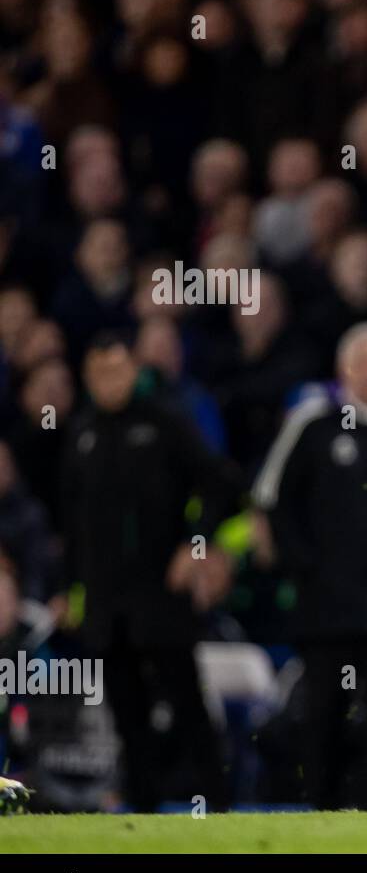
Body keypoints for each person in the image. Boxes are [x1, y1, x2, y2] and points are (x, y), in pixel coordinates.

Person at [59, 332, 243, 811]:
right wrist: (66, 587)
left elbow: (221, 482)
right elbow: (70, 521)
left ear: (134, 371)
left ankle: (217, 808)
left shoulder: (165, 423)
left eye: (118, 371)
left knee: (187, 706)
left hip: (161, 593)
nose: (109, 382)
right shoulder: (81, 432)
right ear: (87, 377)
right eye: (99, 374)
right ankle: (142, 814)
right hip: (105, 598)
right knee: (126, 714)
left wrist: (195, 545)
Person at [252, 322, 367, 809]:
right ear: (346, 367)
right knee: (323, 708)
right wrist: (305, 566)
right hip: (325, 605)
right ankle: (320, 808)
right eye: (366, 363)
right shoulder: (313, 422)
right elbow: (271, 499)